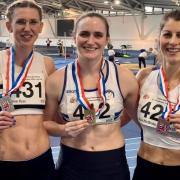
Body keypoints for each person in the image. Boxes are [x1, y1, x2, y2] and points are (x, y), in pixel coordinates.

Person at [44, 12, 139, 180]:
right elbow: (45, 123)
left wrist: (112, 124)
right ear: (74, 37)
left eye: (98, 35)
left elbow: (137, 118)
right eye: (84, 34)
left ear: (107, 39)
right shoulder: (56, 80)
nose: (90, 41)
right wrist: (63, 129)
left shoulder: (125, 78)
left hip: (112, 163)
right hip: (71, 162)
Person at [0, 0, 56, 179]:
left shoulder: (47, 64)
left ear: (40, 27)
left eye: (33, 22)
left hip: (41, 161)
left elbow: (54, 111)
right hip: (4, 161)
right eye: (20, 21)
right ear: (9, 26)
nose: (27, 28)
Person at [122, 10, 180, 180]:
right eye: (167, 34)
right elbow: (125, 116)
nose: (173, 41)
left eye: (179, 35)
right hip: (145, 168)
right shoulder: (144, 76)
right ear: (159, 38)